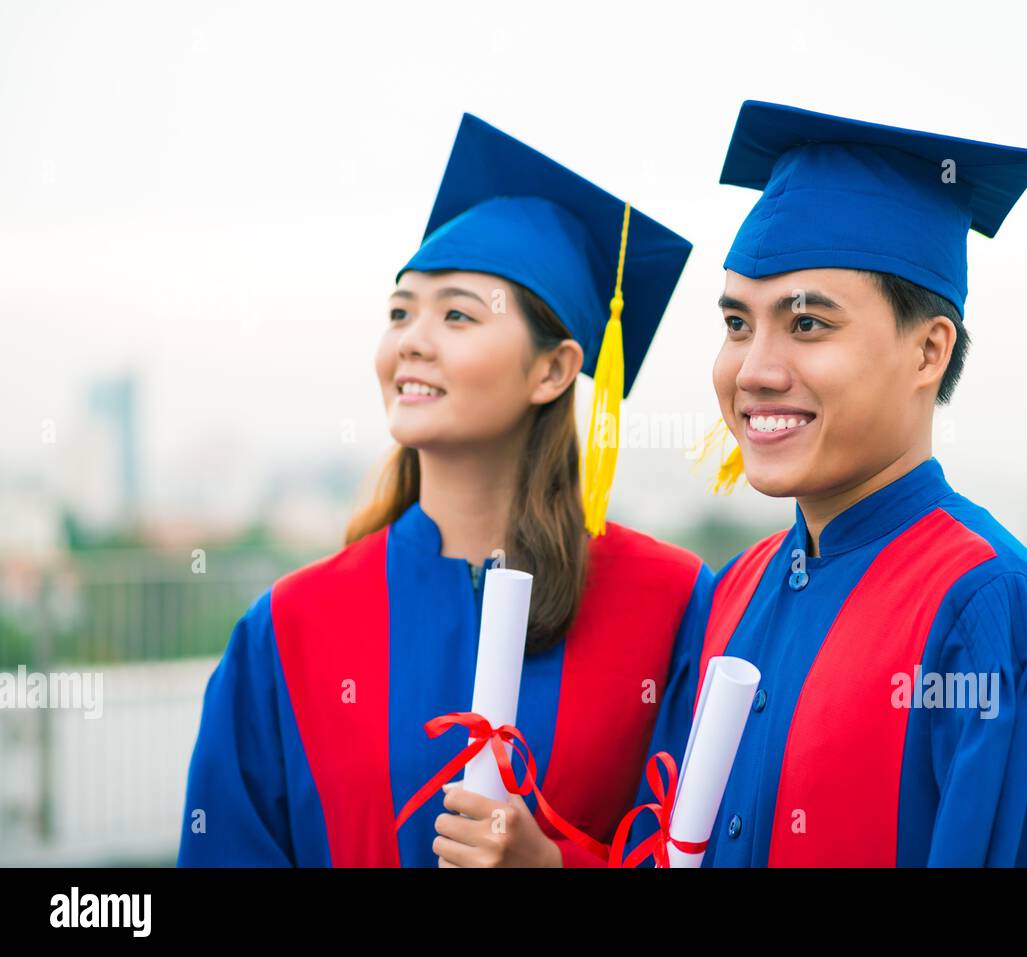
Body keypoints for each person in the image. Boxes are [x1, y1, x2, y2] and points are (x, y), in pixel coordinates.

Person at [177, 113, 712, 867]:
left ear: (553, 370)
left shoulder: (671, 603)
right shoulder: (291, 627)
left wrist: (556, 865)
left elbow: (710, 846)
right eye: (400, 312)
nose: (412, 340)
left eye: (458, 314)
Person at [682, 100, 1027, 866]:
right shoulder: (732, 593)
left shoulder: (993, 612)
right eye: (738, 324)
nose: (754, 370)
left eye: (808, 324)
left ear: (928, 353)